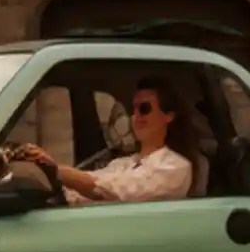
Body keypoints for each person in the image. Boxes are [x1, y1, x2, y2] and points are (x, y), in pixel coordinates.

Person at [17, 76, 195, 205]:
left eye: (145, 109)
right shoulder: (122, 163)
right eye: (134, 109)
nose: (137, 116)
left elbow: (113, 191)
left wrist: (53, 168)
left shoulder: (176, 166)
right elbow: (86, 185)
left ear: (168, 116)